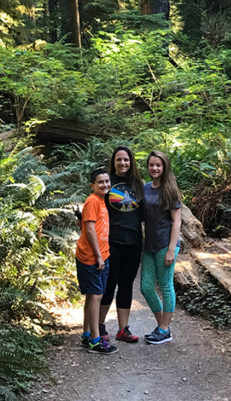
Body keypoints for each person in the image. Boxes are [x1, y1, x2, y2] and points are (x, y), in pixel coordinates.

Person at [98, 145, 145, 343]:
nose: (123, 163)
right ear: (114, 162)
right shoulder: (108, 181)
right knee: (109, 285)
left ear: (131, 161)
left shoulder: (138, 184)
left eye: (126, 159)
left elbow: (145, 213)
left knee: (126, 285)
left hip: (133, 241)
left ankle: (123, 329)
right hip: (112, 240)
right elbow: (96, 205)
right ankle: (99, 327)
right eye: (119, 159)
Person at [140, 150, 182, 345]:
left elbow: (177, 221)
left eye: (158, 165)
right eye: (151, 165)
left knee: (165, 285)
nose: (154, 168)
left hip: (165, 243)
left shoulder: (170, 189)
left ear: (164, 167)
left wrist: (171, 249)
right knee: (146, 287)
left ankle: (164, 329)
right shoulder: (145, 188)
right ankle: (163, 327)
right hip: (149, 244)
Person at [75, 167, 118, 355]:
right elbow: (90, 230)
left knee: (93, 296)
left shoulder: (101, 200)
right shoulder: (92, 200)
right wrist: (99, 256)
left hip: (101, 255)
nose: (105, 184)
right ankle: (94, 340)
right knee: (96, 296)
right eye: (100, 182)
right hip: (91, 258)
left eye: (107, 181)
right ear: (92, 185)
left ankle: (87, 333)